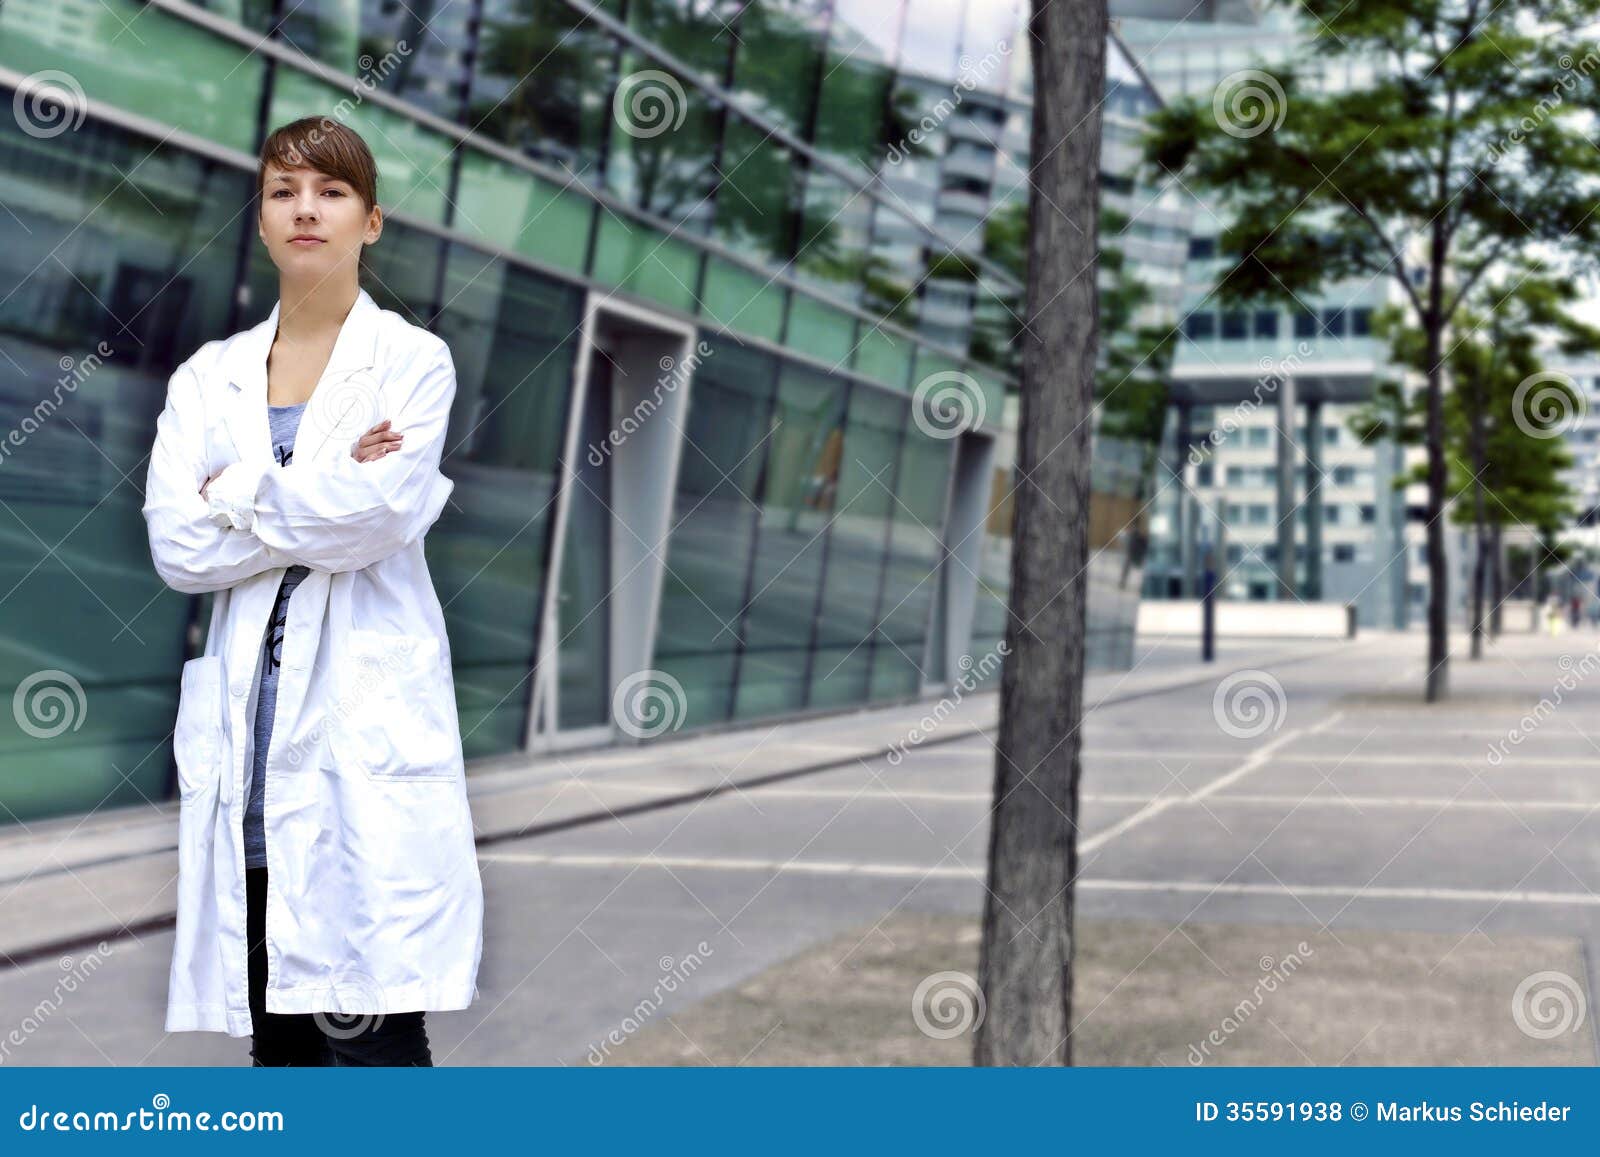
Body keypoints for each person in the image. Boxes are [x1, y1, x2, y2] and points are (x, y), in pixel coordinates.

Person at [142, 116, 483, 1065]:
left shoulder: (412, 363)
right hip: (247, 756)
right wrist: (318, 493)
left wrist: (240, 491)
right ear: (259, 218)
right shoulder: (208, 378)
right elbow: (177, 546)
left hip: (357, 744)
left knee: (375, 1041)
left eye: (331, 193)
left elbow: (377, 517)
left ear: (370, 223)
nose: (306, 210)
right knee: (278, 1045)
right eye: (284, 190)